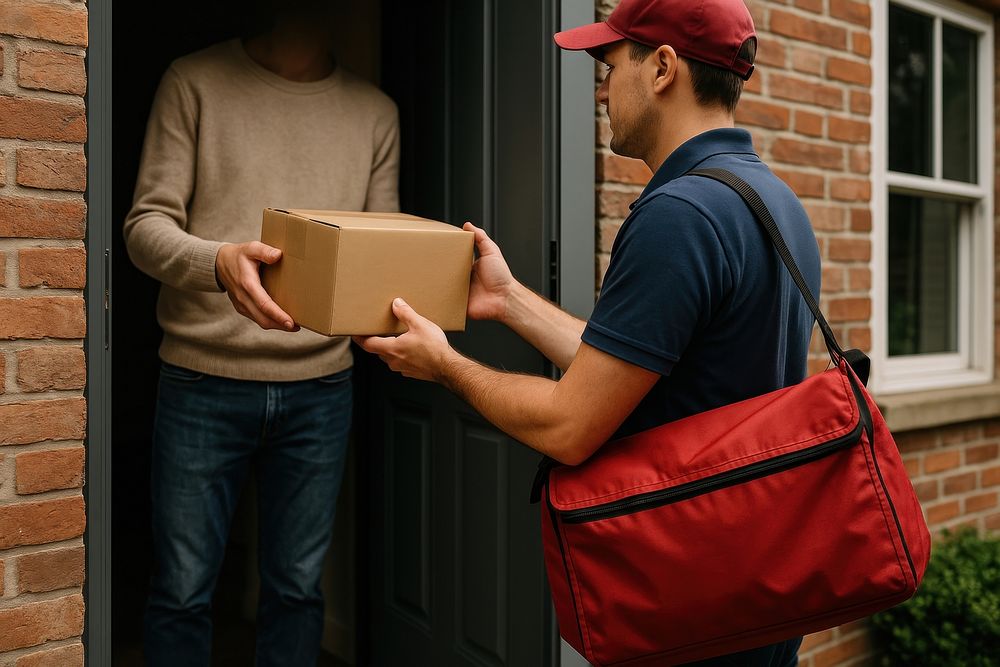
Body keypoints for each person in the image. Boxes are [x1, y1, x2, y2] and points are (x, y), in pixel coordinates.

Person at [354, 0, 816, 664]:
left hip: (688, 603)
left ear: (663, 68)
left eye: (609, 67)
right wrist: (510, 300)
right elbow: (635, 372)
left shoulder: (680, 214)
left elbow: (570, 424)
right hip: (754, 585)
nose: (601, 92)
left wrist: (445, 364)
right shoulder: (772, 200)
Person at [122, 1, 399, 663]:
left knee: (297, 589)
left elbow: (383, 243)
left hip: (321, 388)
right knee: (182, 590)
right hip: (200, 378)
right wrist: (217, 261)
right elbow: (143, 227)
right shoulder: (193, 81)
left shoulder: (375, 112)